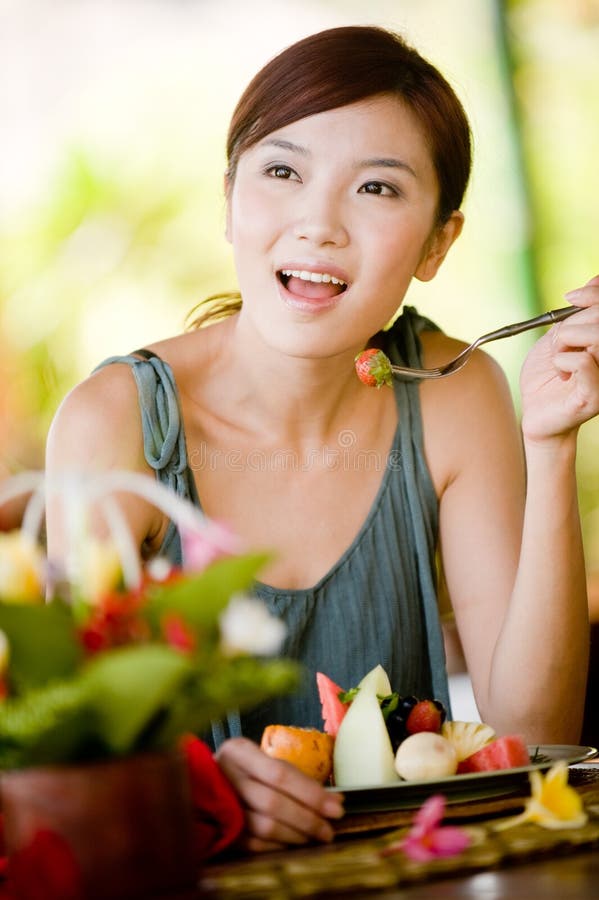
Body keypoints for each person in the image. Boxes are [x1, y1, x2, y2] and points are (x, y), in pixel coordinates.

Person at [45, 25, 599, 852]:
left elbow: (535, 729)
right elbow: (64, 756)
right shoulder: (117, 422)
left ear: (437, 243)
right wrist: (199, 783)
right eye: (281, 172)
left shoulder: (453, 396)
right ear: (229, 201)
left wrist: (552, 445)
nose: (317, 223)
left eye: (376, 189)